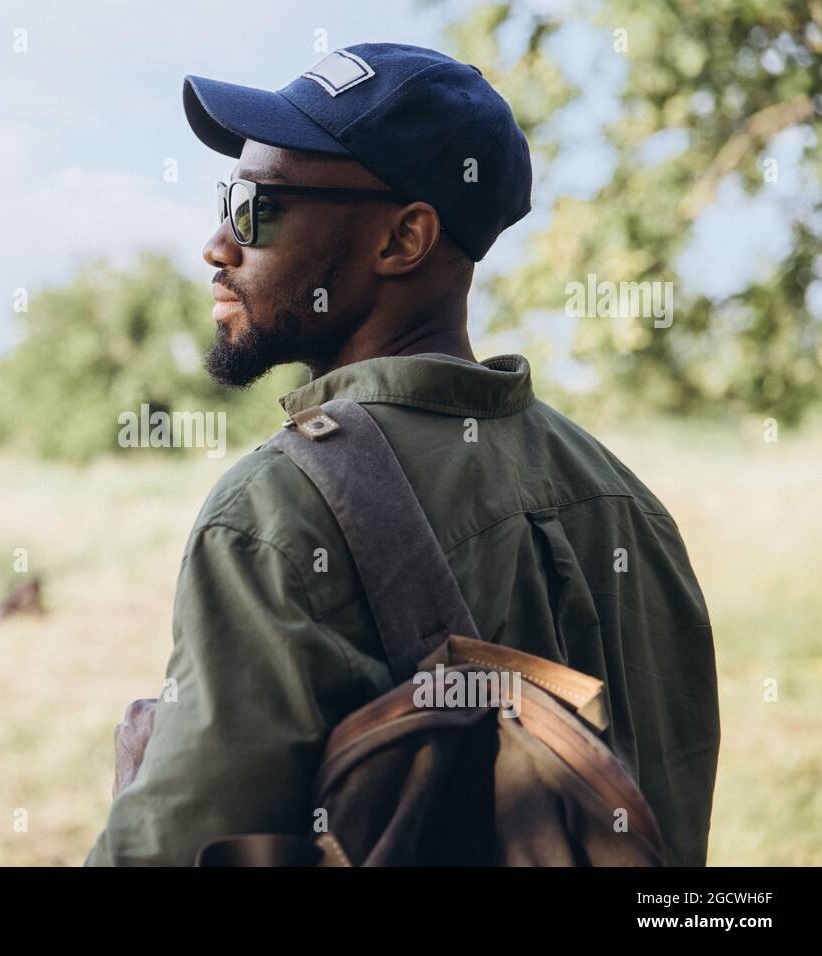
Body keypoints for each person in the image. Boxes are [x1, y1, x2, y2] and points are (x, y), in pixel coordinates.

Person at [84, 42, 719, 867]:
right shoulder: (628, 503)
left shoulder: (276, 508)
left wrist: (141, 792)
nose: (217, 244)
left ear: (403, 239)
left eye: (257, 207)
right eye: (226, 198)